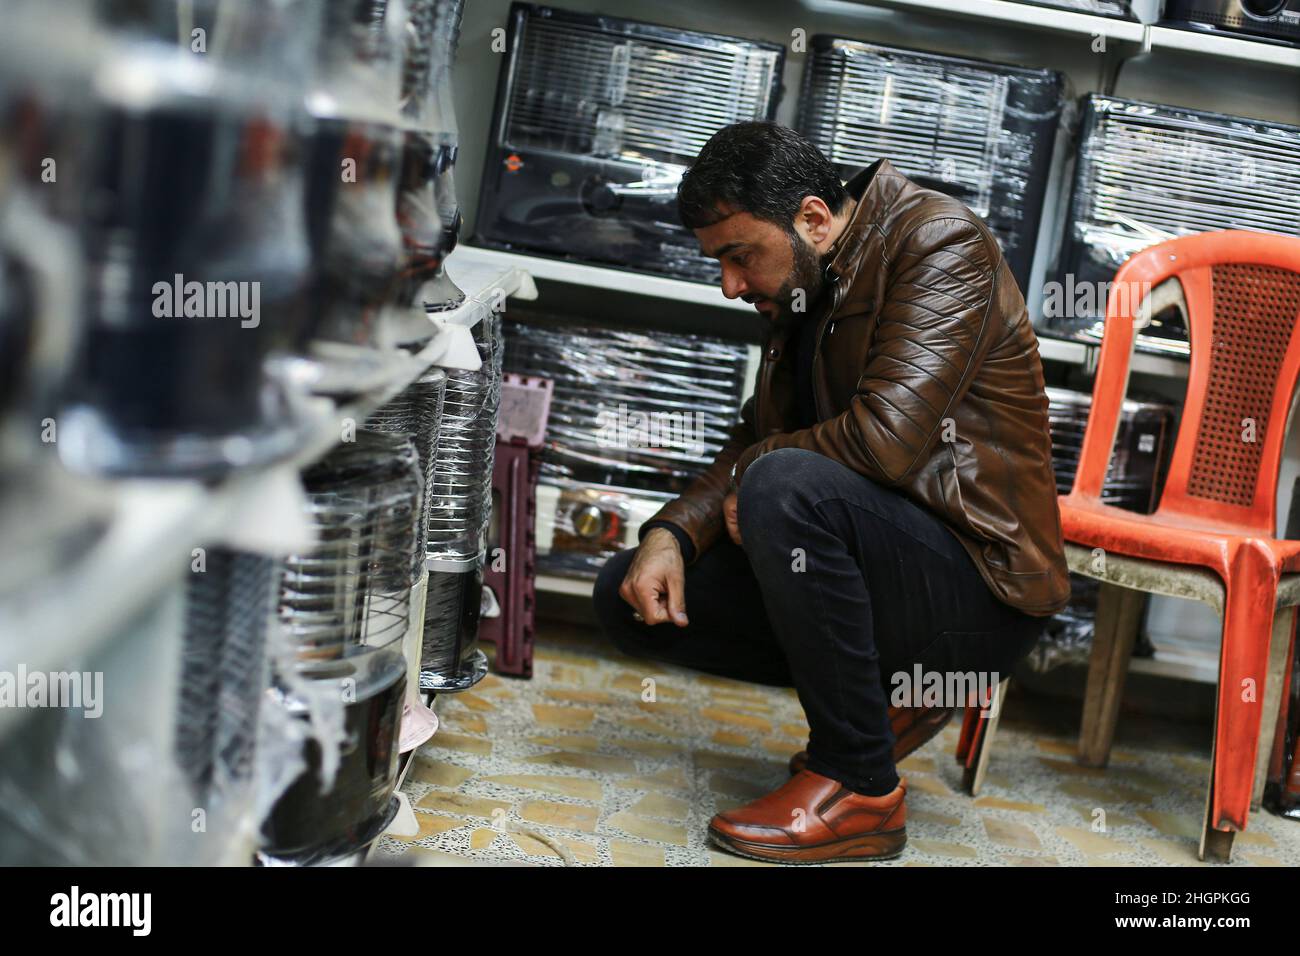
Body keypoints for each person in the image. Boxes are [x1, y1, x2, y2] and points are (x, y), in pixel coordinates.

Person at [592, 121, 1071, 864]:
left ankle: (858, 787)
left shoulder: (939, 243)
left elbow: (885, 440)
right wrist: (671, 533)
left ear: (813, 218)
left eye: (739, 256)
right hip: (883, 569)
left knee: (785, 483)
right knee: (627, 591)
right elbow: (755, 434)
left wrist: (759, 474)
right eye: (719, 263)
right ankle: (882, 704)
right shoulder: (807, 282)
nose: (730, 285)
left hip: (979, 589)